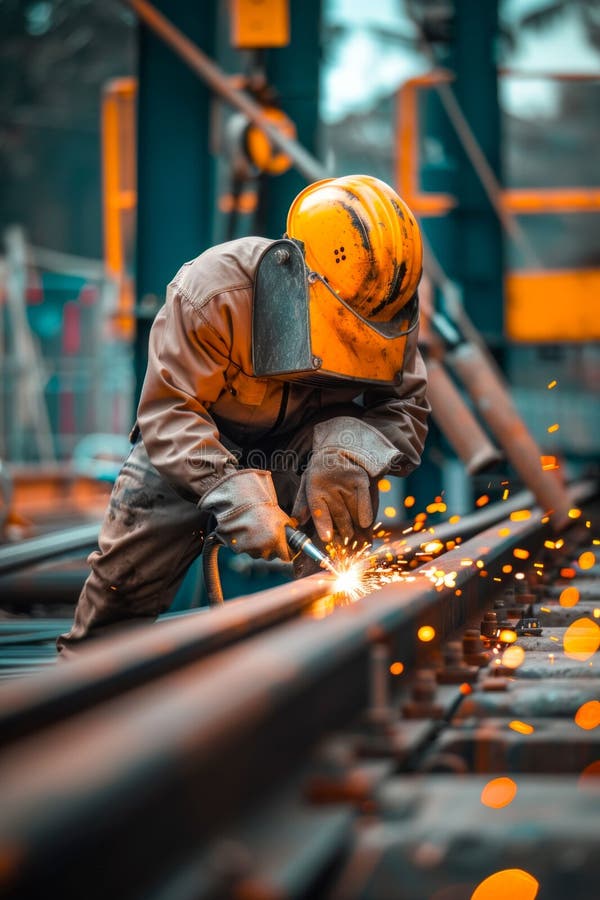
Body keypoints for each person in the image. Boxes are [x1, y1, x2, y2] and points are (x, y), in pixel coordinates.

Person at [57, 174, 430, 657]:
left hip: (304, 445)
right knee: (126, 574)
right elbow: (170, 412)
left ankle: (330, 657)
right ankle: (86, 684)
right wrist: (228, 490)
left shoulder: (388, 312)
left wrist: (352, 452)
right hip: (198, 443)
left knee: (341, 507)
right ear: (294, 271)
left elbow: (406, 406)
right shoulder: (213, 294)